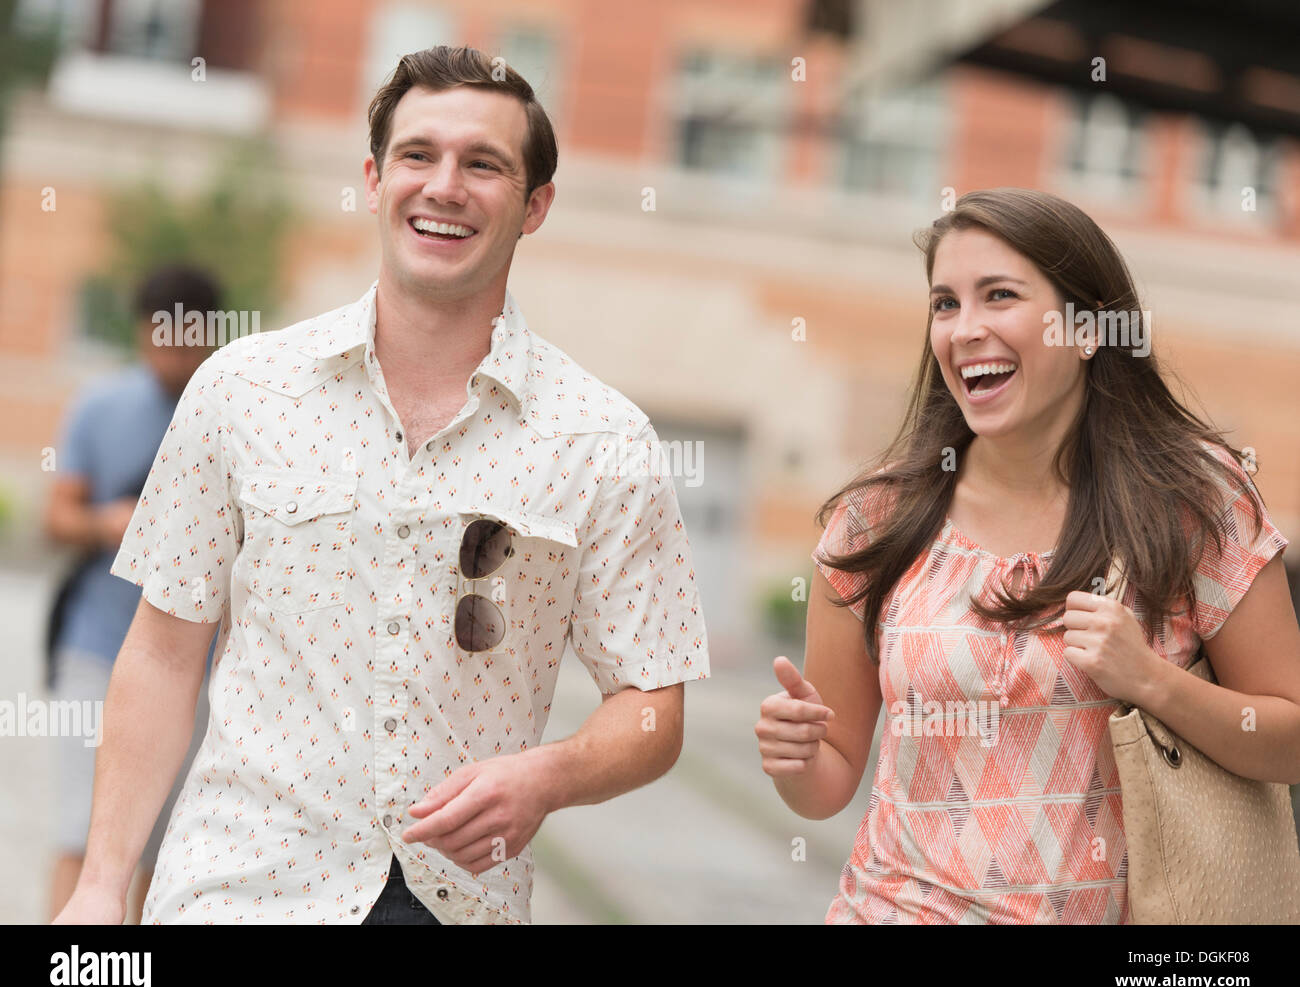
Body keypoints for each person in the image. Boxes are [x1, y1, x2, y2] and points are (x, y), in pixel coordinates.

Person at [53, 45, 709, 926]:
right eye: (418, 155)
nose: (445, 185)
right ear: (373, 178)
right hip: (236, 887)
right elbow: (165, 652)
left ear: (536, 205)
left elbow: (654, 707)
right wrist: (100, 884)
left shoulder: (603, 440)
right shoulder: (241, 389)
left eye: (484, 164)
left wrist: (548, 775)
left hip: (455, 900)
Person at [755, 187, 1300, 924]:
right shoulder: (875, 522)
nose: (964, 328)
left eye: (999, 296)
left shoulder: (1189, 500)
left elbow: (1291, 736)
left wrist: (1151, 681)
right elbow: (832, 779)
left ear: (1086, 330)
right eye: (945, 304)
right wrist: (796, 760)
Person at [44, 265, 221, 924]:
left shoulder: (226, 407)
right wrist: (106, 523)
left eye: (187, 340)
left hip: (197, 667)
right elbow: (55, 517)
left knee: (161, 842)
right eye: (160, 337)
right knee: (78, 827)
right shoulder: (100, 403)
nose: (172, 353)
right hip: (96, 647)